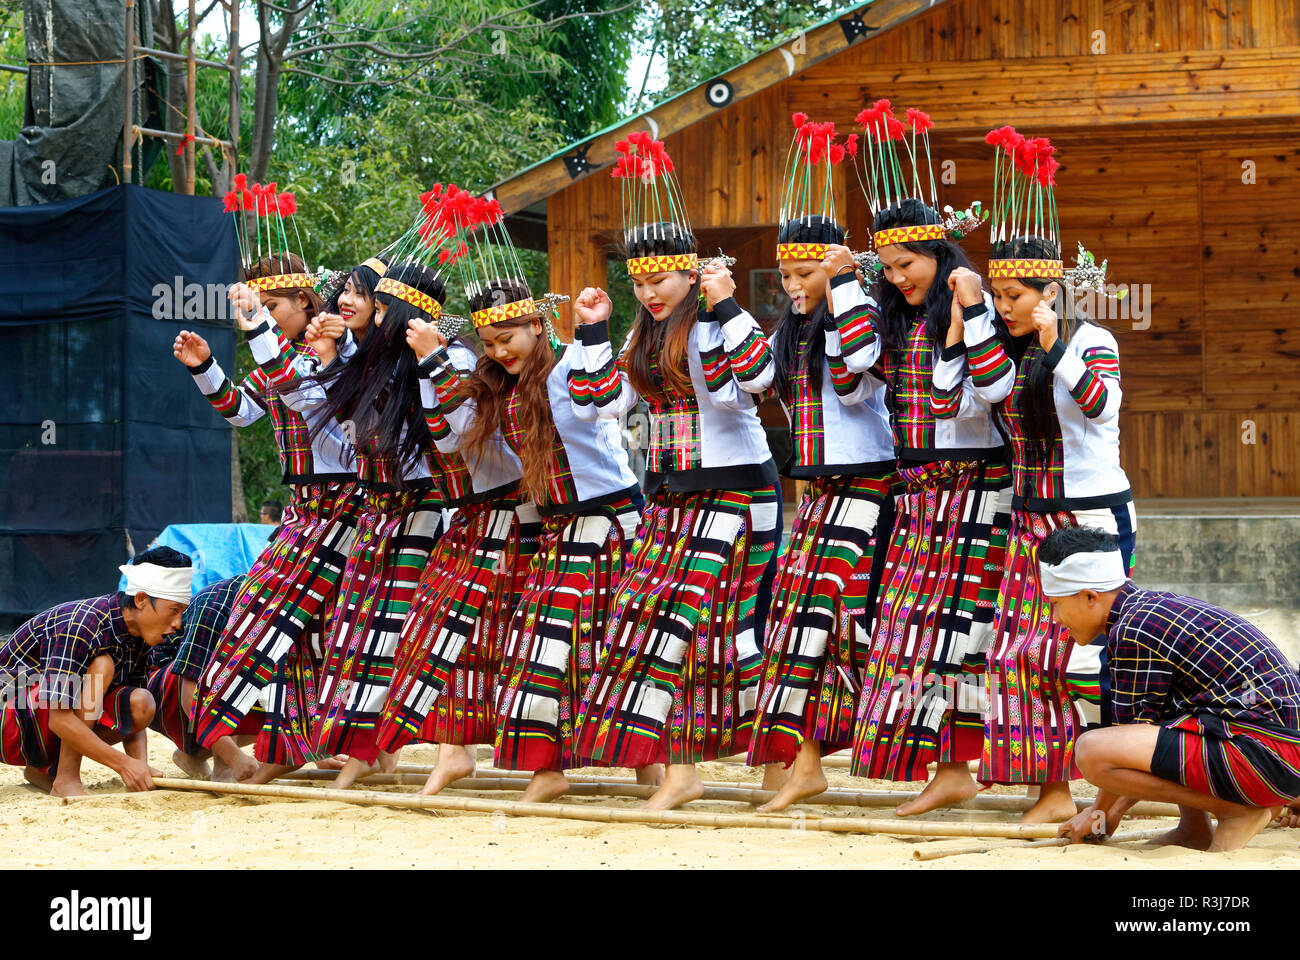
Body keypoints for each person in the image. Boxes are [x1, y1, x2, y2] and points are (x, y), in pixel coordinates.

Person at [570, 131, 781, 810]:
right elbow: (600, 404)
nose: (646, 290)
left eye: (658, 278)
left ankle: (767, 761)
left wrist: (725, 304)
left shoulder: (717, 323)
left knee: (722, 629)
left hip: (736, 489)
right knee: (647, 618)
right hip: (669, 494)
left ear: (691, 273)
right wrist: (593, 334)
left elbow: (750, 382)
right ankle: (686, 767)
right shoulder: (642, 334)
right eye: (636, 280)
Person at [845, 101, 1013, 815]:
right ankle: (944, 766)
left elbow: (982, 395)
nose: (896, 274)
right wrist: (851, 285)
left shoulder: (970, 311)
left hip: (976, 487)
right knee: (910, 632)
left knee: (964, 636)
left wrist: (967, 315)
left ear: (939, 254)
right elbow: (854, 365)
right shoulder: (900, 314)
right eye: (885, 265)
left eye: (904, 262)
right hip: (916, 495)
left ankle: (965, 765)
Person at [973, 127, 1136, 822]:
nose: (1006, 305)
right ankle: (1050, 789)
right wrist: (973, 316)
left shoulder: (1092, 338)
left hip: (1091, 517)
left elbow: (1100, 406)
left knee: (1089, 660)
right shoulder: (1003, 351)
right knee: (1019, 654)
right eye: (999, 293)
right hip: (1030, 516)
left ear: (1052, 290)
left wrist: (1055, 341)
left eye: (1016, 294)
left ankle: (1118, 790)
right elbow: (974, 397)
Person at [741, 114, 898, 812]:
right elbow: (751, 384)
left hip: (868, 487)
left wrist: (842, 288)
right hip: (817, 494)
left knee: (836, 623)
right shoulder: (792, 328)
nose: (793, 283)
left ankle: (832, 757)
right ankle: (801, 763)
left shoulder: (856, 310)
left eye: (805, 271)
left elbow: (858, 368)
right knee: (794, 623)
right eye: (786, 273)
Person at [181, 183, 363, 780]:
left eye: (274, 307)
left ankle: (357, 749)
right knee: (300, 635)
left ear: (306, 303)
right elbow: (245, 411)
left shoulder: (335, 350)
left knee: (296, 621)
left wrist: (257, 328)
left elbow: (292, 384)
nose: (264, 316)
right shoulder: (280, 353)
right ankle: (289, 751)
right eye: (258, 308)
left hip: (347, 509)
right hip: (304, 508)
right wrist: (205, 367)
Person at [1044, 527, 1300, 852]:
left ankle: (1235, 811)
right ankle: (1193, 829)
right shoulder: (1149, 608)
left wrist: (1100, 814)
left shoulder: (1132, 629)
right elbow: (1149, 735)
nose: (1056, 619)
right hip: (1276, 753)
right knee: (1174, 717)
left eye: (1056, 604)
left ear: (1090, 597)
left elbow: (1128, 738)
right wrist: (1105, 814)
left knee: (1092, 752)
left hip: (1262, 756)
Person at [0, 546, 192, 796]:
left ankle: (47, 770)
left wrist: (140, 768)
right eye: (174, 611)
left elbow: (133, 719)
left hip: (40, 721)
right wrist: (124, 765)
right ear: (142, 599)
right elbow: (59, 718)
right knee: (102, 666)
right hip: (9, 713)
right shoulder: (81, 625)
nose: (177, 623)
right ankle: (66, 778)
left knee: (140, 701)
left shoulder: (142, 638)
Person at [145, 574, 258, 782]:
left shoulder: (288, 607)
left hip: (197, 698)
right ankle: (222, 766)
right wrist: (234, 758)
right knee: (230, 666)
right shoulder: (216, 604)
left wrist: (312, 750)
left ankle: (195, 755)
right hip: (161, 687)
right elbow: (190, 695)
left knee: (275, 685)